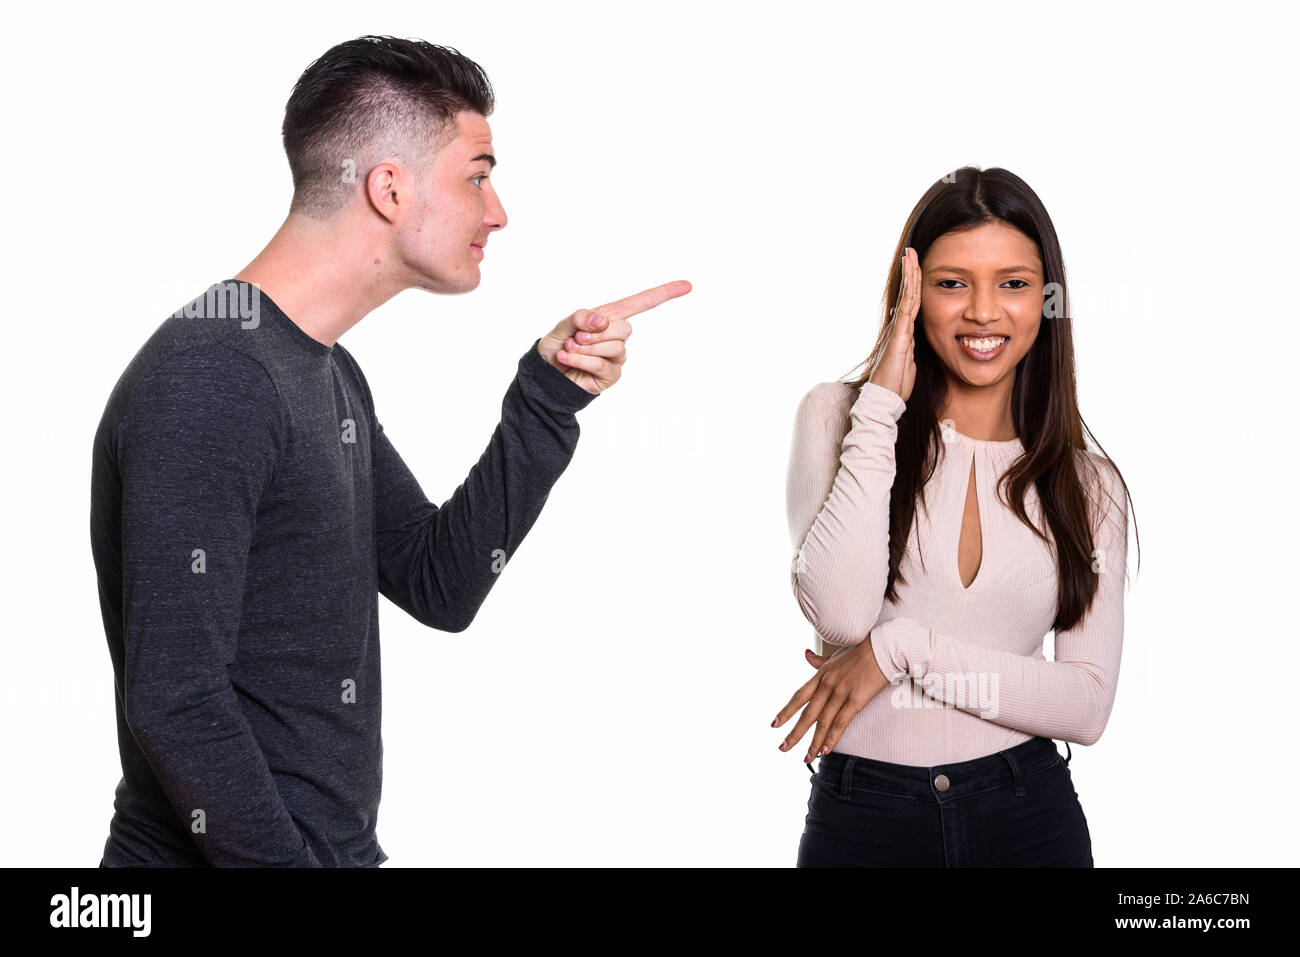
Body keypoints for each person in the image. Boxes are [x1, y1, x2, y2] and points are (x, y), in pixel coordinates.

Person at [90, 35, 690, 867]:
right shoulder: (213, 377)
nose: (498, 210)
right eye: (478, 174)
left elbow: (437, 580)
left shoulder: (322, 372)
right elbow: (175, 698)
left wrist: (548, 400)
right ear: (389, 187)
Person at [773, 166, 1135, 867]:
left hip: (1026, 811)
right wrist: (882, 401)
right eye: (950, 283)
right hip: (864, 815)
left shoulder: (1088, 485)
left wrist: (902, 648)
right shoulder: (841, 418)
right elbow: (843, 616)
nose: (983, 312)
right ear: (909, 295)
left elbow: (1087, 704)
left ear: (1047, 299)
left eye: (1013, 283)